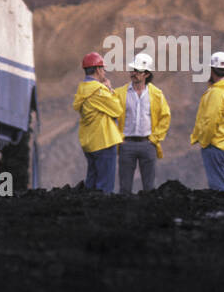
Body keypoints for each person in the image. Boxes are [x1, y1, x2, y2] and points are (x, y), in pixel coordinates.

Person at [114, 52, 170, 194]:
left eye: (137, 71)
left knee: (149, 189)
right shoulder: (120, 93)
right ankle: (124, 215)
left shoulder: (157, 94)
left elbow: (165, 117)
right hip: (126, 145)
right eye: (132, 69)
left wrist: (154, 139)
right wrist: (118, 139)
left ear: (146, 74)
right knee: (124, 189)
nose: (133, 73)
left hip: (148, 145)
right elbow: (110, 117)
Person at [190, 50, 224, 192]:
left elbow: (210, 121)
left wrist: (205, 142)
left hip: (216, 146)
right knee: (222, 184)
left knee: (219, 189)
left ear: (212, 70)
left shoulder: (216, 93)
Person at [72, 51, 123, 192]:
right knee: (104, 187)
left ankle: (88, 211)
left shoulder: (82, 90)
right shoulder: (99, 91)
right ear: (98, 70)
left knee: (92, 184)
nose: (104, 72)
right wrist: (110, 89)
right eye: (103, 69)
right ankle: (103, 212)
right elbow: (117, 110)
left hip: (90, 143)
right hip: (104, 141)